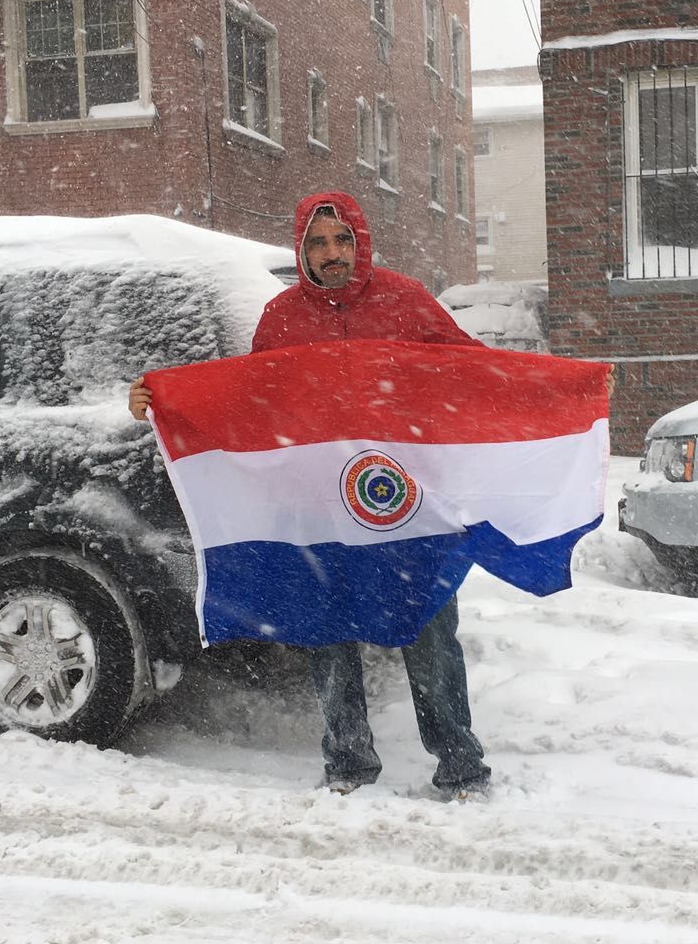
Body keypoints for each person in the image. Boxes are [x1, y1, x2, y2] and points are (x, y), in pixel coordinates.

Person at [130, 190, 491, 801]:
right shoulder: (281, 319)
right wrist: (164, 403)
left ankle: (460, 766)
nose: (332, 254)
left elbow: (471, 371)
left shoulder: (405, 302)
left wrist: (553, 386)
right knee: (327, 633)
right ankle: (348, 762)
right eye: (318, 243)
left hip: (401, 501)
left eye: (342, 240)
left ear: (361, 243)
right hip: (319, 508)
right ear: (302, 249)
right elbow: (248, 402)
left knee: (429, 630)